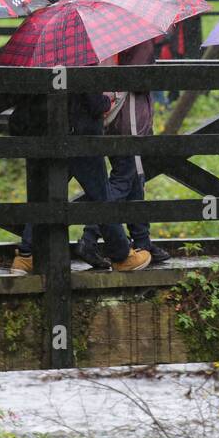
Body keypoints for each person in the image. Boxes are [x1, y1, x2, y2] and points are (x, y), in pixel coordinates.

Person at [11, 87, 150, 274]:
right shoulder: (79, 60)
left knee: (43, 197)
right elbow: (93, 104)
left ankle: (26, 256)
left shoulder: (41, 62)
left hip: (44, 132)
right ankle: (122, 256)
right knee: (102, 198)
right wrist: (106, 102)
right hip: (79, 135)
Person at [76, 40, 170, 268]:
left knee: (133, 176)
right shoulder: (138, 39)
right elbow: (136, 79)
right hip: (126, 113)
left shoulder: (107, 37)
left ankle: (142, 241)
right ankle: (91, 235)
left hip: (114, 110)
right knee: (126, 177)